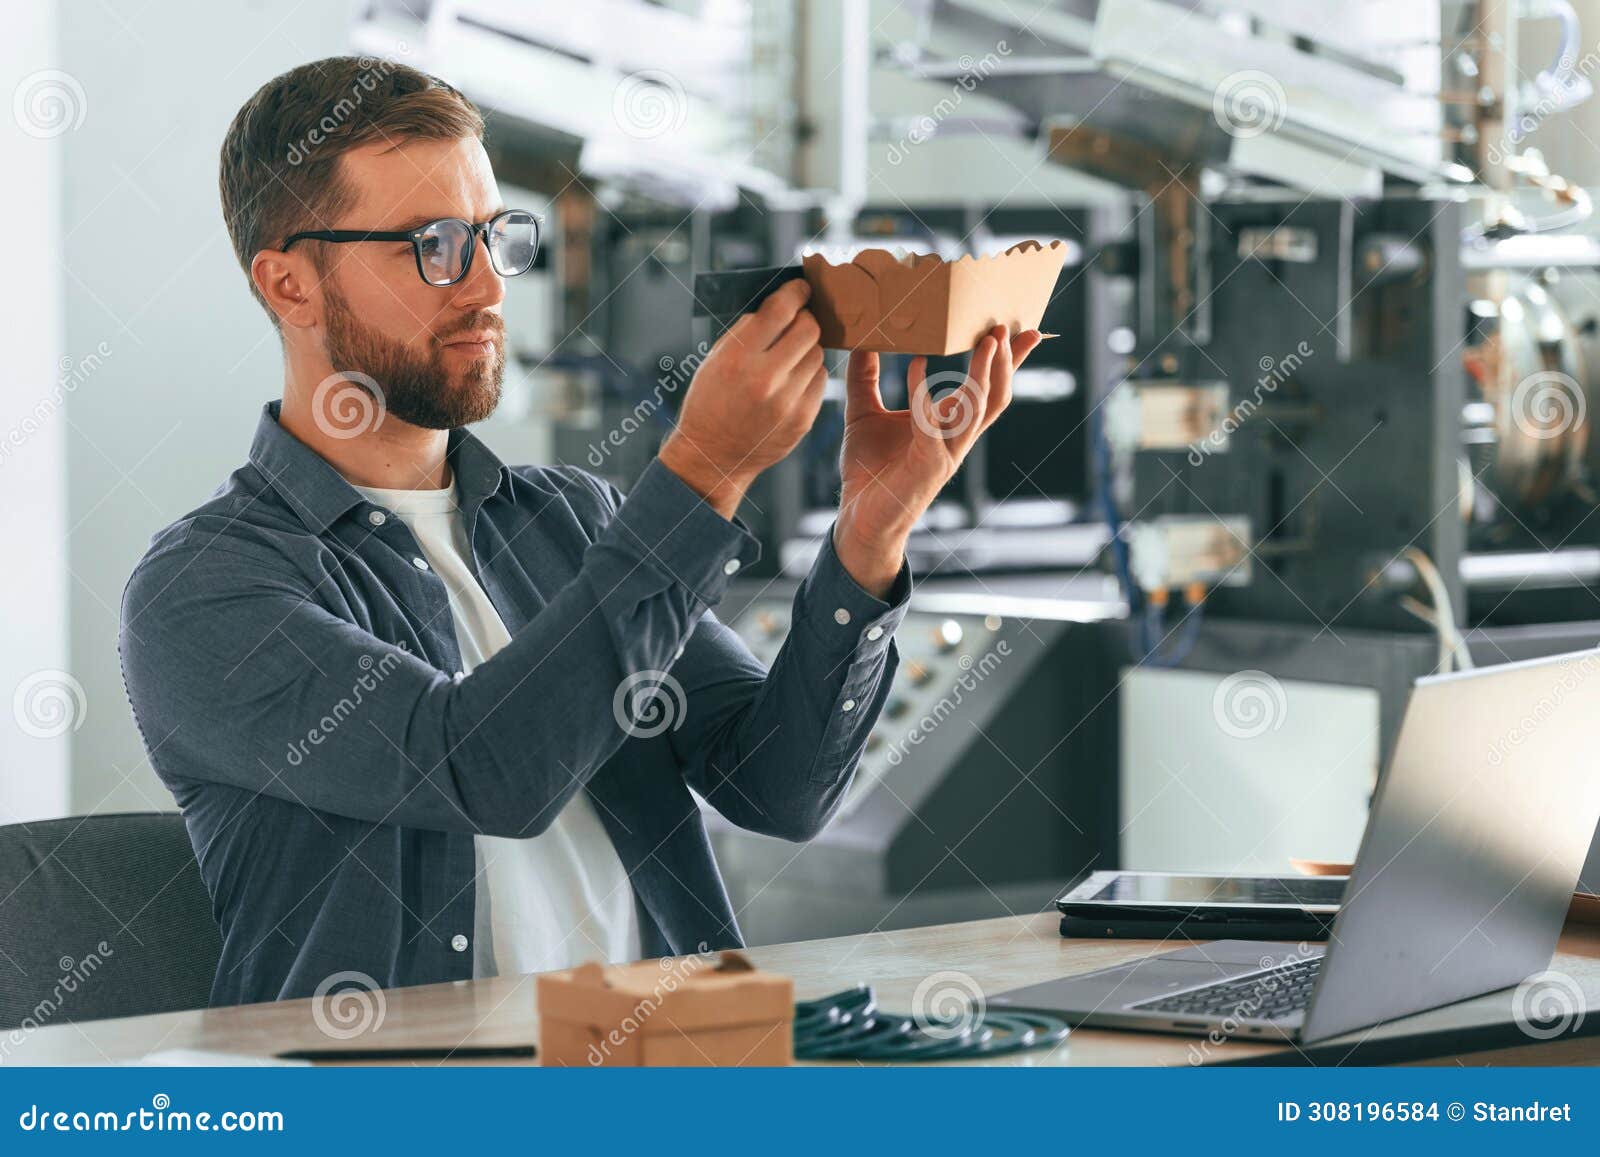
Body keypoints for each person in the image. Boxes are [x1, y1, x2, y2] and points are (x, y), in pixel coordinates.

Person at [118, 57, 1043, 1005]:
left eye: (492, 236)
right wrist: (707, 472)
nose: (484, 287)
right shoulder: (205, 591)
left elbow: (779, 788)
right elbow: (482, 769)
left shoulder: (570, 520)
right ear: (289, 285)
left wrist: (871, 534)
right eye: (431, 244)